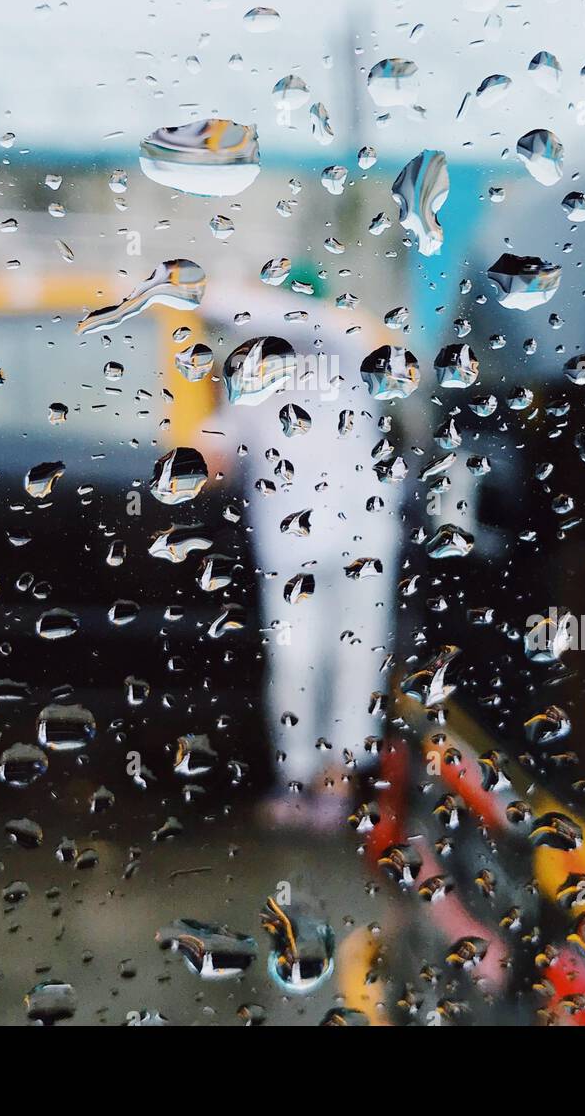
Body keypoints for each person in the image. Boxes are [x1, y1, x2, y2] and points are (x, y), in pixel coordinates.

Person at [207, 269, 401, 829]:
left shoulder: (342, 349)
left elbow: (349, 328)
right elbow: (222, 443)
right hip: (292, 550)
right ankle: (295, 780)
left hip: (363, 536)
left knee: (357, 658)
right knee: (295, 661)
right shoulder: (250, 376)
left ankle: (335, 785)